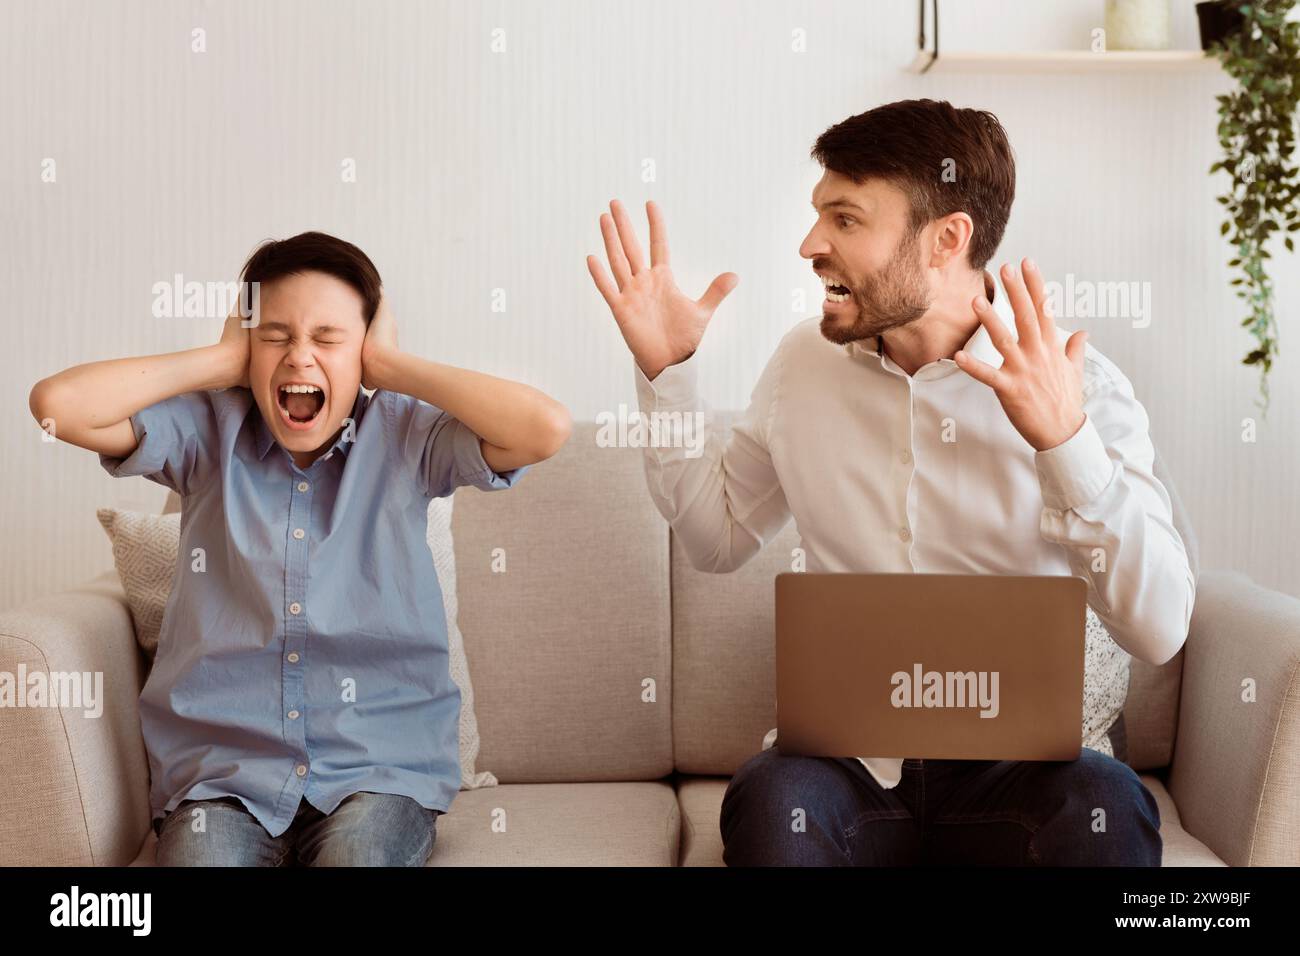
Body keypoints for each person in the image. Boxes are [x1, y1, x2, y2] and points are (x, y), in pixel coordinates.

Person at [585, 98, 1193, 866]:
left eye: (845, 219)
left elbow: (1162, 628)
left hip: (1026, 775)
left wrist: (1065, 443)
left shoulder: (1082, 389)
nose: (810, 244)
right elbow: (717, 539)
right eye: (818, 216)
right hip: (846, 770)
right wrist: (665, 376)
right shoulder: (802, 365)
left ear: (947, 238)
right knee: (775, 802)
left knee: (1104, 807)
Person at [29, 231, 572, 865]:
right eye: (276, 336)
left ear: (365, 350)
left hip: (379, 774)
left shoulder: (403, 436)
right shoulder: (208, 430)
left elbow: (544, 429)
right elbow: (56, 407)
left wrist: (393, 367)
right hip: (222, 783)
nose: (300, 358)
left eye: (328, 338)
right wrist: (215, 361)